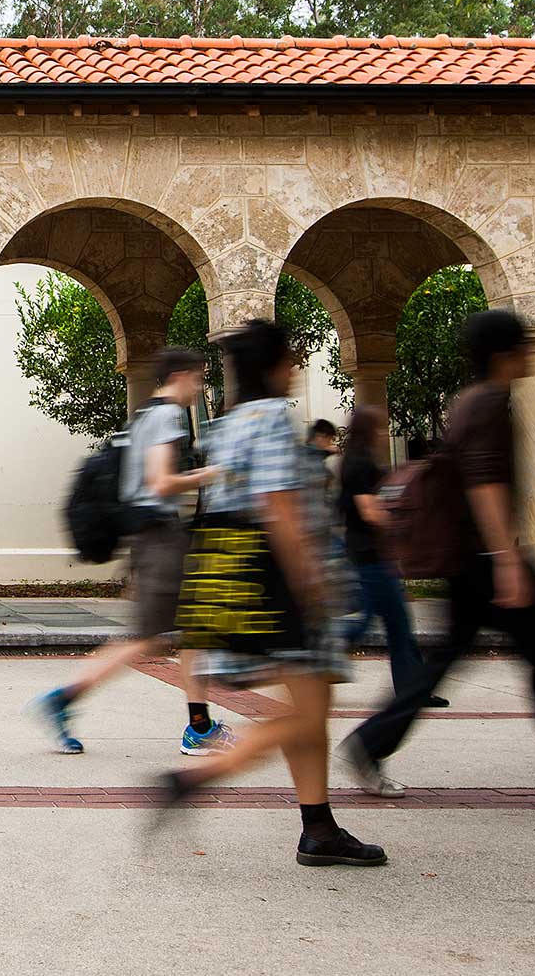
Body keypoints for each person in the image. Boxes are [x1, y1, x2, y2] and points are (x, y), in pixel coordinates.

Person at [341, 310, 535, 808]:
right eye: (522, 347)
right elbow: (484, 484)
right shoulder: (490, 402)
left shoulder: (468, 401)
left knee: (446, 660)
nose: (528, 355)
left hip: (469, 559)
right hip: (488, 557)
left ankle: (371, 743)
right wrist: (506, 559)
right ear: (505, 354)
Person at [147, 320, 381, 866]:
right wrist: (311, 585)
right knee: (309, 712)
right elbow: (279, 508)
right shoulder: (273, 418)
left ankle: (318, 827)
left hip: (237, 576)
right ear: (272, 367)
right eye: (290, 358)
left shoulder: (226, 424)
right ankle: (194, 778)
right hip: (281, 580)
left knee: (308, 706)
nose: (296, 367)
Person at [30, 346, 226, 755]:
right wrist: (210, 474)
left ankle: (200, 725)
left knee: (192, 630)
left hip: (153, 537)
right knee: (144, 638)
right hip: (160, 538)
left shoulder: (144, 415)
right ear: (181, 376)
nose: (199, 387)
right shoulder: (167, 416)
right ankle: (64, 698)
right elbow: (160, 481)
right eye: (198, 378)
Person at [336, 405, 445, 712]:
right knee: (385, 625)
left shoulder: (355, 461)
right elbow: (369, 511)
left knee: (396, 626)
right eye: (380, 428)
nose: (385, 434)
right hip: (370, 557)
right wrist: (401, 526)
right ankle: (314, 646)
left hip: (370, 555)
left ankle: (414, 689)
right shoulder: (360, 463)